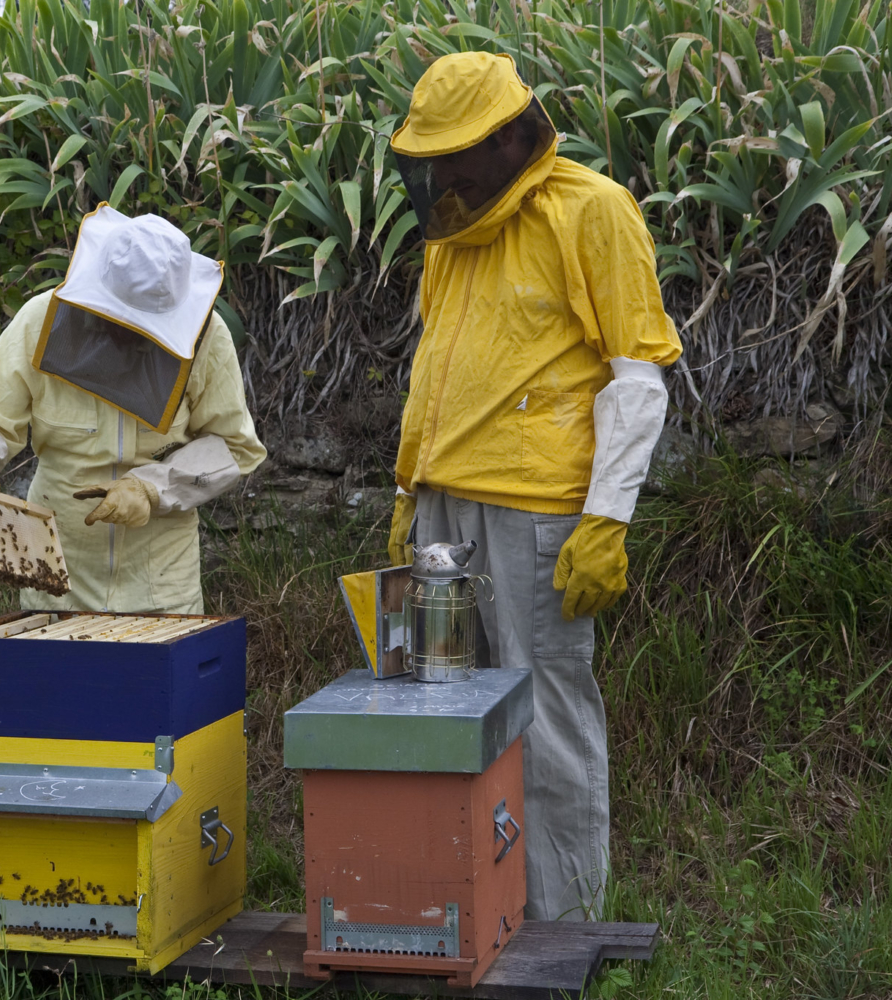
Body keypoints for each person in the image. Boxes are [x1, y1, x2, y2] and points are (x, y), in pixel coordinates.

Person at [384, 52, 682, 921]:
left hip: (536, 513)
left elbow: (637, 377)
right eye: (431, 157)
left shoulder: (592, 210)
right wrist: (409, 489)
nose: (443, 174)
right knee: (444, 714)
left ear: (515, 134)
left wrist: (607, 519)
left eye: (459, 153)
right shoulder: (452, 230)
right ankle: (472, 913)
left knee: (541, 721)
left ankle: (562, 931)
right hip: (445, 506)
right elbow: (437, 373)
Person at [0, 204, 266, 614]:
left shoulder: (209, 338)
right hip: (56, 572)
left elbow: (234, 447)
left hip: (161, 581)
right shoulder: (40, 321)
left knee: (162, 680)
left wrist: (152, 487)